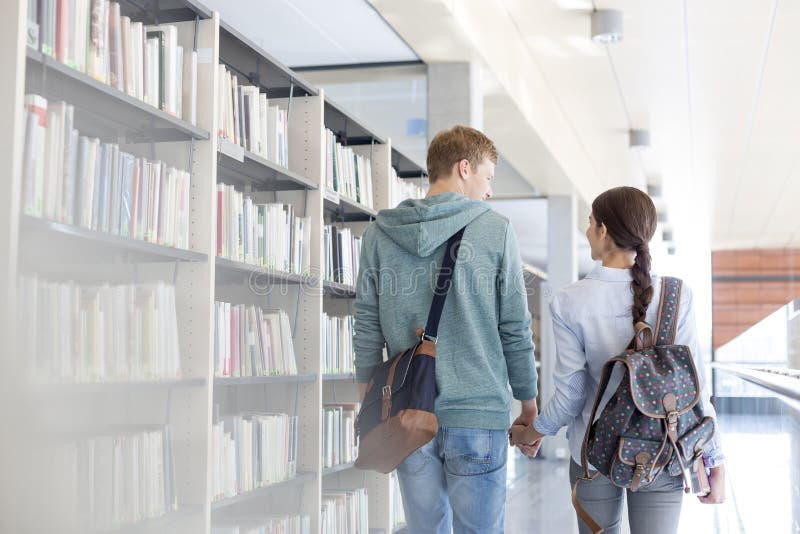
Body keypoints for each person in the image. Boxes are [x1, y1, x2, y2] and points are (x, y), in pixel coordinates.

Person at [354, 125, 539, 534]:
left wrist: (368, 389)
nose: (489, 191)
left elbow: (366, 320)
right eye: (488, 177)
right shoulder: (495, 231)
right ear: (464, 168)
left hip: (406, 412)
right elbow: (514, 327)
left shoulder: (379, 235)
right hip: (478, 414)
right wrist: (528, 402)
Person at [509, 186, 725, 534]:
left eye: (590, 222)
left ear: (603, 230)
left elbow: (571, 395)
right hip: (663, 448)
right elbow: (696, 387)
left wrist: (532, 433)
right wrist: (714, 458)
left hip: (593, 453)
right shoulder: (676, 295)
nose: (586, 230)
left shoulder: (568, 301)